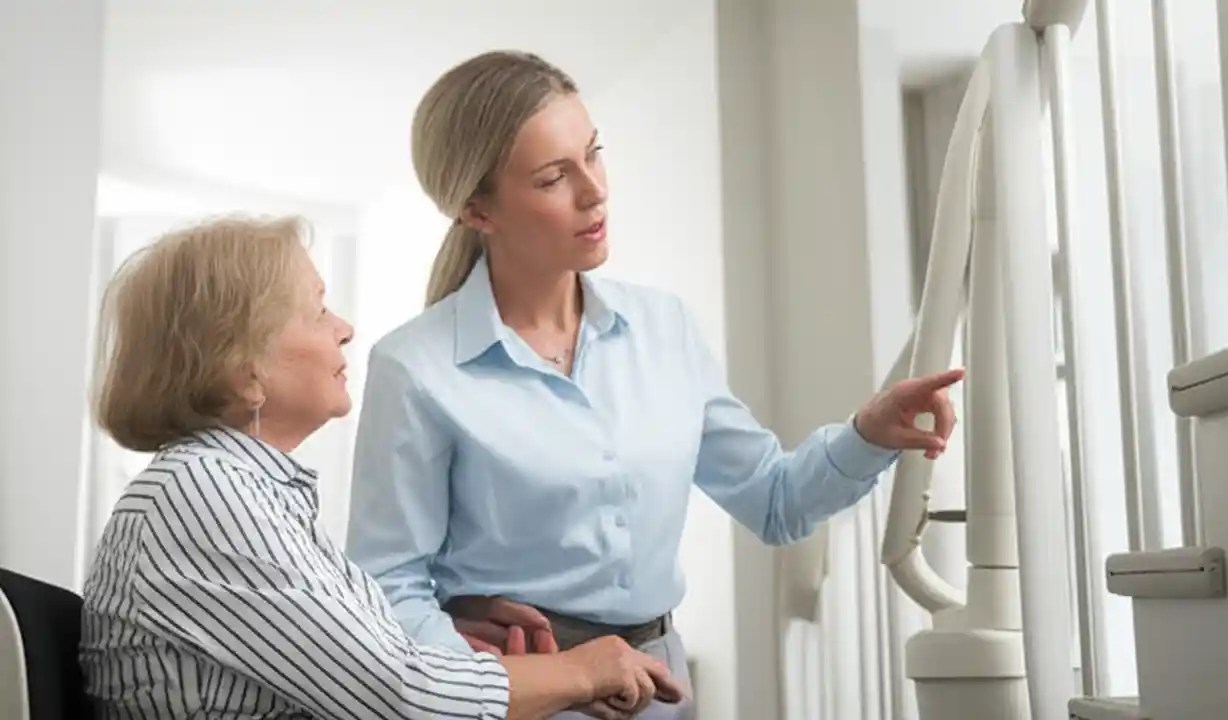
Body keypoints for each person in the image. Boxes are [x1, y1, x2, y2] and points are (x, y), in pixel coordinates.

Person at [346, 51, 962, 719]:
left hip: (663, 695)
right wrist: (500, 675)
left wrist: (868, 435)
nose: (594, 191)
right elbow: (389, 585)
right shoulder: (415, 367)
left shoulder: (663, 327)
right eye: (554, 178)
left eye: (594, 154)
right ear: (477, 210)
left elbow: (777, 502)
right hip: (520, 700)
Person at [79, 216, 682, 720]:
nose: (344, 330)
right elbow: (403, 698)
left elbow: (368, 667)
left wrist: (447, 623)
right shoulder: (201, 495)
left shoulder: (239, 494)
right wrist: (581, 669)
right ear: (245, 371)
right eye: (317, 312)